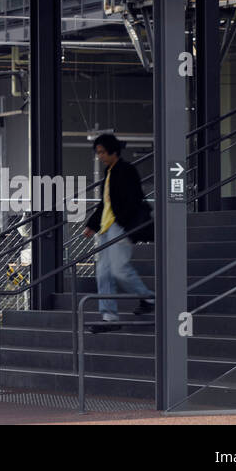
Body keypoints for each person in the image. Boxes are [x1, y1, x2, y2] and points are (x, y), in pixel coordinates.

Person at [82, 133, 154, 333]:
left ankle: (149, 298)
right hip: (105, 228)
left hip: (119, 227)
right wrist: (92, 225)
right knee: (103, 274)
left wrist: (123, 221)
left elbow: (134, 200)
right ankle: (109, 317)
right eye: (98, 153)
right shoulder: (109, 171)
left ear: (113, 150)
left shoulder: (126, 170)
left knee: (118, 270)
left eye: (103, 152)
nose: (100, 156)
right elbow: (105, 203)